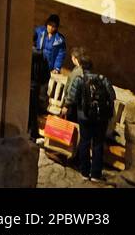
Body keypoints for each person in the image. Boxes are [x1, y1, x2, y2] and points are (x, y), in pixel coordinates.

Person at [63, 50, 116, 182]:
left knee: (85, 143)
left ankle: (84, 172)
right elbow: (112, 96)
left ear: (81, 66)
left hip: (84, 116)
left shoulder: (80, 80)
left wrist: (68, 106)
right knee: (98, 144)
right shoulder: (103, 79)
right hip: (101, 118)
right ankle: (96, 175)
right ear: (92, 66)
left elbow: (72, 98)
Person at [29, 48, 52, 141]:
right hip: (36, 87)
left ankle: (27, 133)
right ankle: (34, 133)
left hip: (27, 86)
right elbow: (47, 75)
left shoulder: (25, 54)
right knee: (33, 111)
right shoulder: (43, 56)